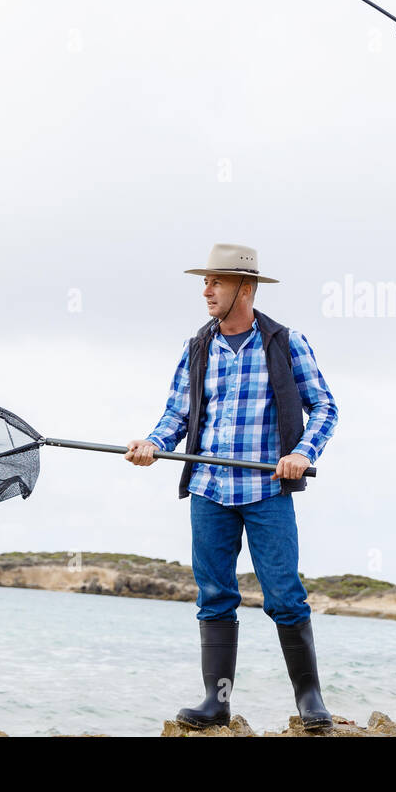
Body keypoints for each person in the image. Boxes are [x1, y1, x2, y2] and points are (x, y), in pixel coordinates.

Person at [124, 243, 339, 732]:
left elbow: (325, 407)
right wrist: (152, 443)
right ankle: (214, 702)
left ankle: (310, 701)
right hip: (209, 490)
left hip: (267, 492)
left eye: (215, 282)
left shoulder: (286, 342)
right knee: (215, 595)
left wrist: (303, 454)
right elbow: (176, 414)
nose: (206, 291)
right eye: (206, 282)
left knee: (285, 596)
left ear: (246, 287)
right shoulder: (197, 346)